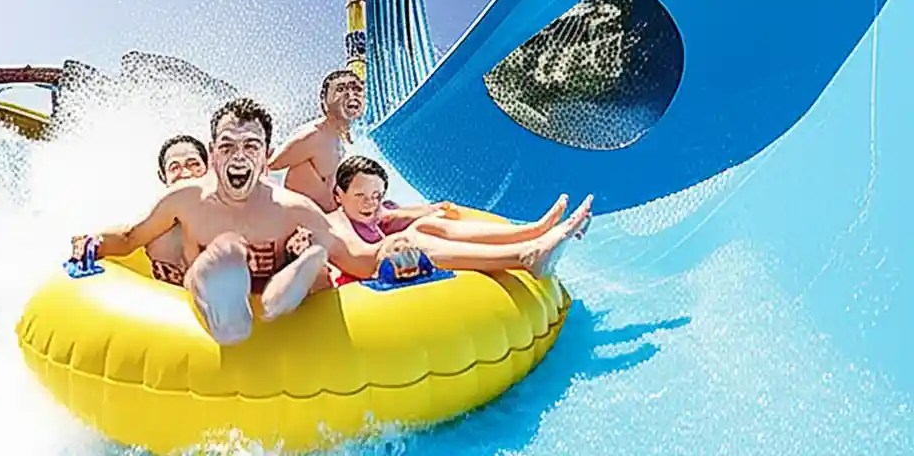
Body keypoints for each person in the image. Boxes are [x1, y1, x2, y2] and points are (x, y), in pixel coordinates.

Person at [70, 97, 592, 346]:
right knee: (220, 260)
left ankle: (525, 251)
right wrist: (94, 240)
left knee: (323, 264)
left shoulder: (292, 210)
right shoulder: (185, 200)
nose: (238, 155)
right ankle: (228, 301)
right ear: (213, 152)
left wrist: (396, 259)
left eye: (251, 146)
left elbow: (361, 263)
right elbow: (131, 238)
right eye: (227, 144)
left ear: (266, 154)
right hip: (217, 291)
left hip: (288, 296)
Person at [324, 155, 592, 285]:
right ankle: (524, 256)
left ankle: (534, 231)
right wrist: (399, 241)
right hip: (364, 284)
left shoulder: (374, 212)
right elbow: (361, 258)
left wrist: (433, 211)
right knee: (411, 238)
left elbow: (395, 215)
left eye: (376, 195)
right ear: (338, 195)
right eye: (360, 195)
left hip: (391, 266)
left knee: (425, 226)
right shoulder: (334, 223)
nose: (370, 203)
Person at [269, 69, 365, 212]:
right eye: (340, 89)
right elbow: (269, 167)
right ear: (324, 102)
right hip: (309, 222)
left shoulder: (350, 136)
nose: (351, 94)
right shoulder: (314, 137)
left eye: (357, 89)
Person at [144, 134, 209, 286]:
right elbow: (123, 236)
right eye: (174, 167)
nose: (186, 174)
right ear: (163, 177)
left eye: (193, 164)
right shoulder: (150, 223)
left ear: (208, 169)